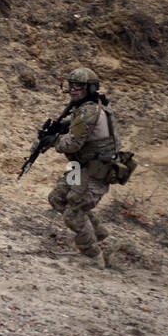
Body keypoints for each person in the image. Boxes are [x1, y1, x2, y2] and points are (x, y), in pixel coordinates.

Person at [47, 67, 120, 268]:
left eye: (78, 86)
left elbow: (72, 144)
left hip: (94, 171)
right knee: (57, 198)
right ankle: (100, 237)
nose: (73, 89)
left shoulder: (89, 110)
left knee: (73, 213)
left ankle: (93, 256)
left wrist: (53, 141)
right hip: (81, 168)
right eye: (71, 85)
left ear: (90, 88)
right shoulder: (86, 108)